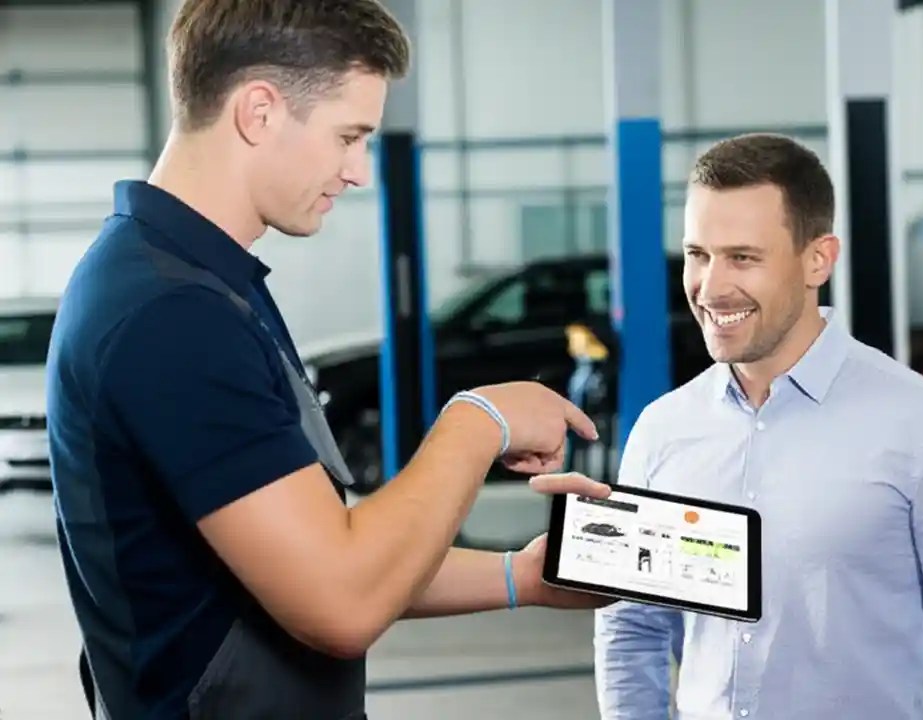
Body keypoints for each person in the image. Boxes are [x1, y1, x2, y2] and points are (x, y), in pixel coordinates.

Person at [45, 2, 610, 718]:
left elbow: (312, 552)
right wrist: (477, 423)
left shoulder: (189, 283)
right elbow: (340, 600)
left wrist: (516, 576)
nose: (359, 172)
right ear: (260, 111)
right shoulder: (173, 316)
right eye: (348, 136)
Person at [593, 133, 923, 719]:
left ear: (818, 259)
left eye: (743, 257)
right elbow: (633, 630)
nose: (711, 285)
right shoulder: (662, 430)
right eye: (698, 254)